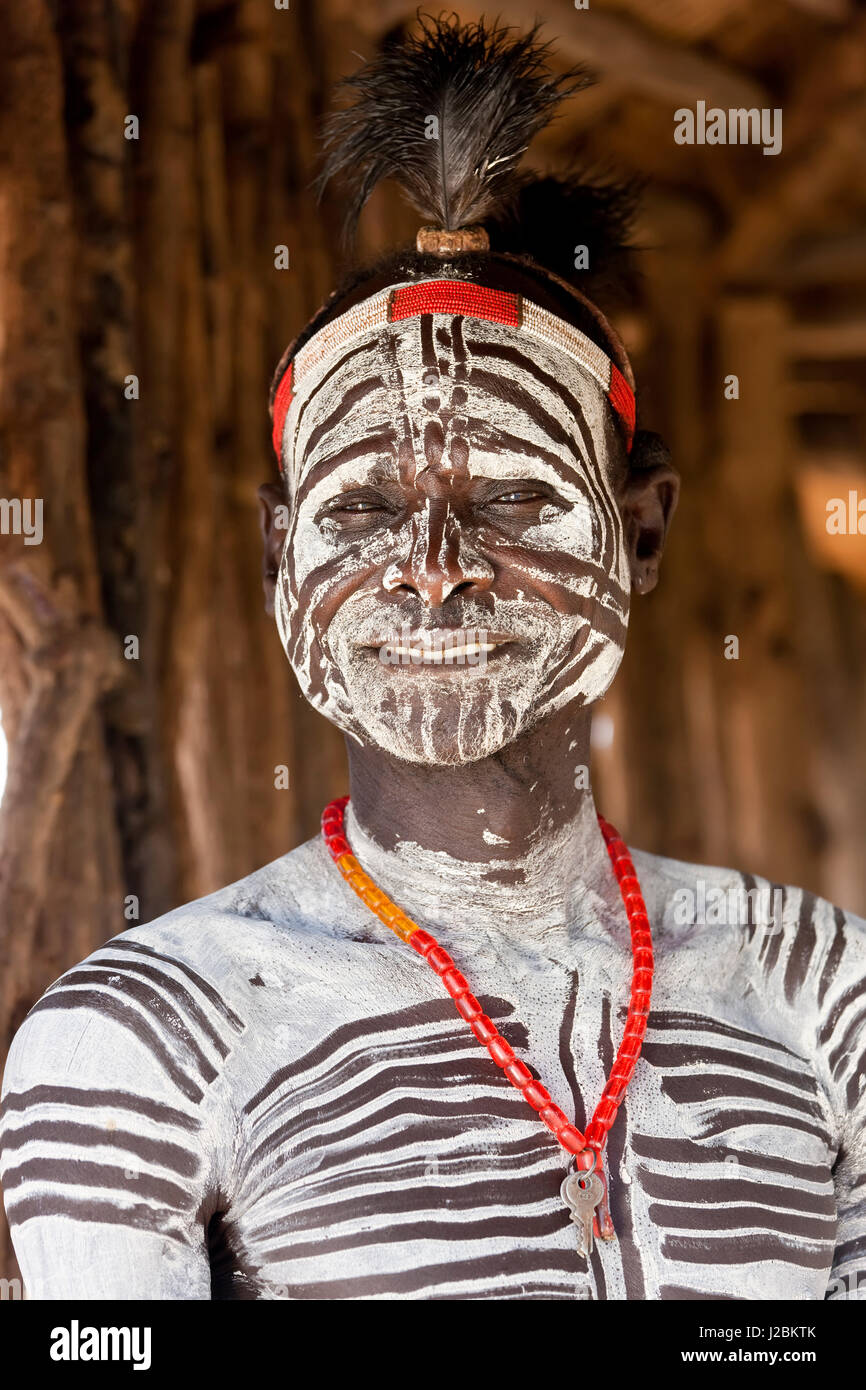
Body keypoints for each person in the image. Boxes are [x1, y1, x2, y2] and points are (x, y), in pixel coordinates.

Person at [2, 16, 864, 1302]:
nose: (433, 563)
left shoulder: (823, 987)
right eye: (359, 510)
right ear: (278, 551)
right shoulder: (138, 1038)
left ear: (638, 530)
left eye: (513, 500)